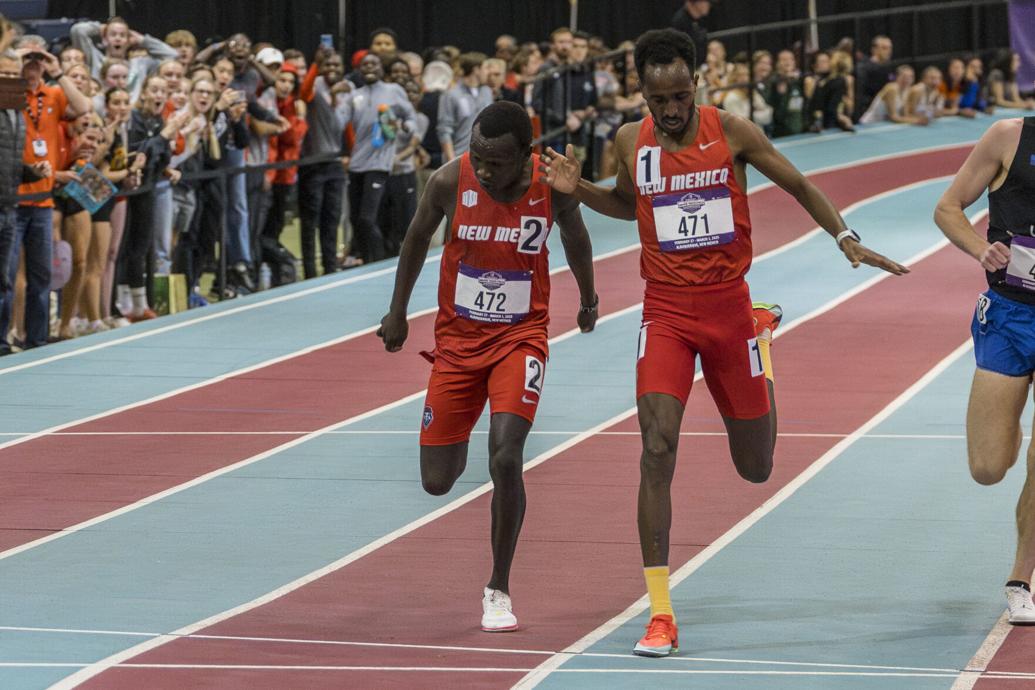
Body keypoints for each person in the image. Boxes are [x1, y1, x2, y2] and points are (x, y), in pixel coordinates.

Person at [539, 27, 907, 657]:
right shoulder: (632, 141)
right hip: (666, 314)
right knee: (656, 448)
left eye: (681, 95)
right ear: (642, 93)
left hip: (731, 311)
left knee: (756, 468)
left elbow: (797, 185)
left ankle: (763, 344)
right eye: (660, 100)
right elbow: (631, 206)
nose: (673, 110)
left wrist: (846, 240)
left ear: (697, 83)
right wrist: (581, 193)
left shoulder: (731, 131)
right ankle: (660, 612)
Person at [377, 101, 598, 632]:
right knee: (437, 481)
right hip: (456, 344)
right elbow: (413, 241)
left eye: (497, 161)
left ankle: (498, 587)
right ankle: (464, 423)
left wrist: (589, 299)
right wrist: (398, 312)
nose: (486, 169)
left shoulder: (550, 186)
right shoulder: (450, 179)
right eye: (478, 156)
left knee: (505, 457)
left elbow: (575, 236)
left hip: (520, 339)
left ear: (527, 154)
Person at [934, 115, 1035, 624]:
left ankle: (1021, 578)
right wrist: (980, 248)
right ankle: (1014, 424)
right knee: (988, 468)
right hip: (1010, 317)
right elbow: (947, 208)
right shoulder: (1007, 138)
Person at [0, 49, 50, 349]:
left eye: (11, 75)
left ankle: (2, 343)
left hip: (9, 206)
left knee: (4, 281)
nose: (7, 80)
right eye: (1, 74)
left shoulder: (17, 113)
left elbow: (9, 162)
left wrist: (32, 172)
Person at [438, 52, 492, 161]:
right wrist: (451, 159)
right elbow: (444, 129)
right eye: (486, 68)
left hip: (483, 159)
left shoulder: (487, 92)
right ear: (476, 70)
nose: (489, 72)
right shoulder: (451, 94)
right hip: (459, 157)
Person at [859, 65, 928, 126]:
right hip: (870, 124)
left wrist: (920, 118)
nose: (907, 79)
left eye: (910, 77)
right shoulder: (891, 88)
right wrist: (916, 121)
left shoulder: (907, 91)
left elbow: (904, 114)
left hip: (885, 125)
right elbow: (893, 117)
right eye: (904, 76)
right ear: (897, 77)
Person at [854, 35, 893, 120]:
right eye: (884, 48)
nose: (888, 51)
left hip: (884, 111)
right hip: (868, 112)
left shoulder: (888, 66)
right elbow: (861, 93)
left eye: (890, 48)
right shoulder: (864, 68)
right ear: (874, 50)